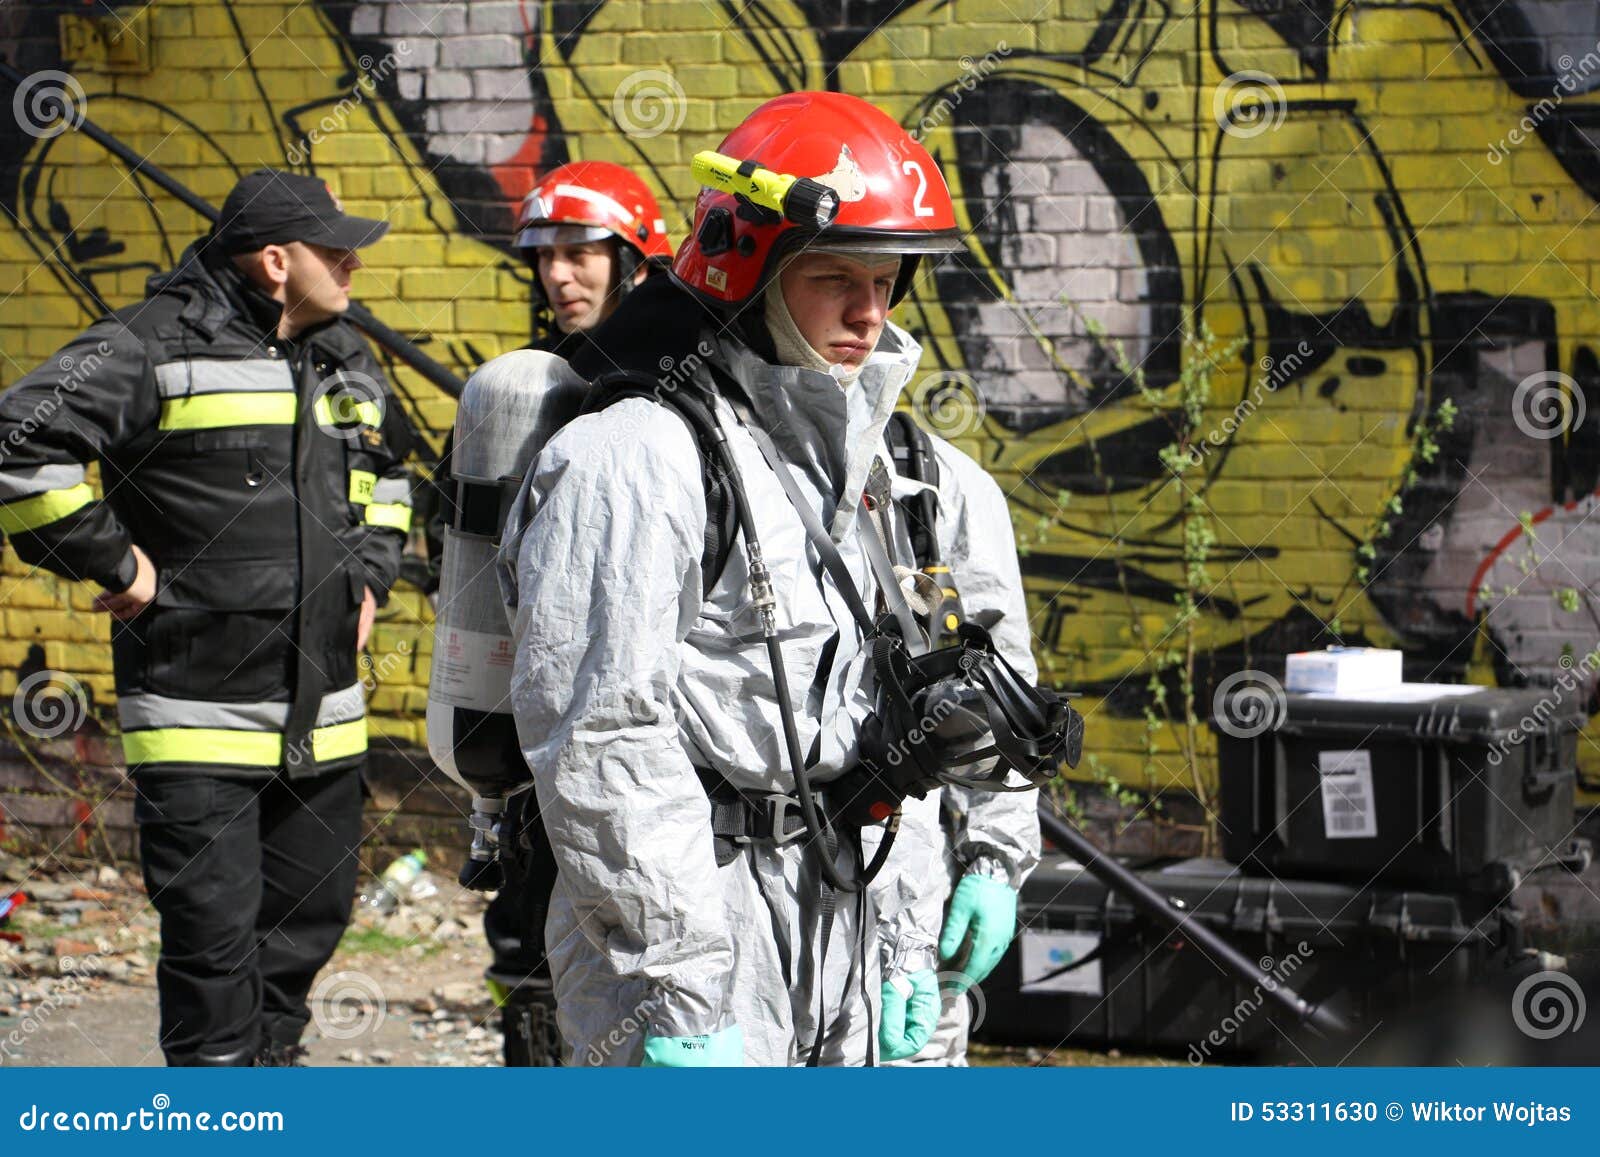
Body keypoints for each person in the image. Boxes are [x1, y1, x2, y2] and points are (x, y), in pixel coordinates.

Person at [503, 91, 1031, 1066]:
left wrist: (935, 913)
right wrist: (683, 989)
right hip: (695, 921)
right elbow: (601, 737)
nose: (869, 311)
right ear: (749, 269)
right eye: (834, 275)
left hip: (859, 909)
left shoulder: (903, 478)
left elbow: (935, 703)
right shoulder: (636, 459)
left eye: (888, 277)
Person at [0, 169, 415, 1066]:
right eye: (334, 249)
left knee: (305, 934)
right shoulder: (151, 343)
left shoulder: (344, 352)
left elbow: (390, 472)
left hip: (325, 726)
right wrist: (114, 561)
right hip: (195, 722)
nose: (352, 265)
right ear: (274, 261)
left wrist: (371, 572)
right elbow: (19, 445)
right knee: (213, 957)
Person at [475, 160, 673, 1065]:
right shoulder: (538, 387)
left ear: (633, 258)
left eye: (582, 252)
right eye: (545, 255)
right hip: (537, 727)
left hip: (648, 735)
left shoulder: (665, 375)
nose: (559, 275)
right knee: (530, 945)